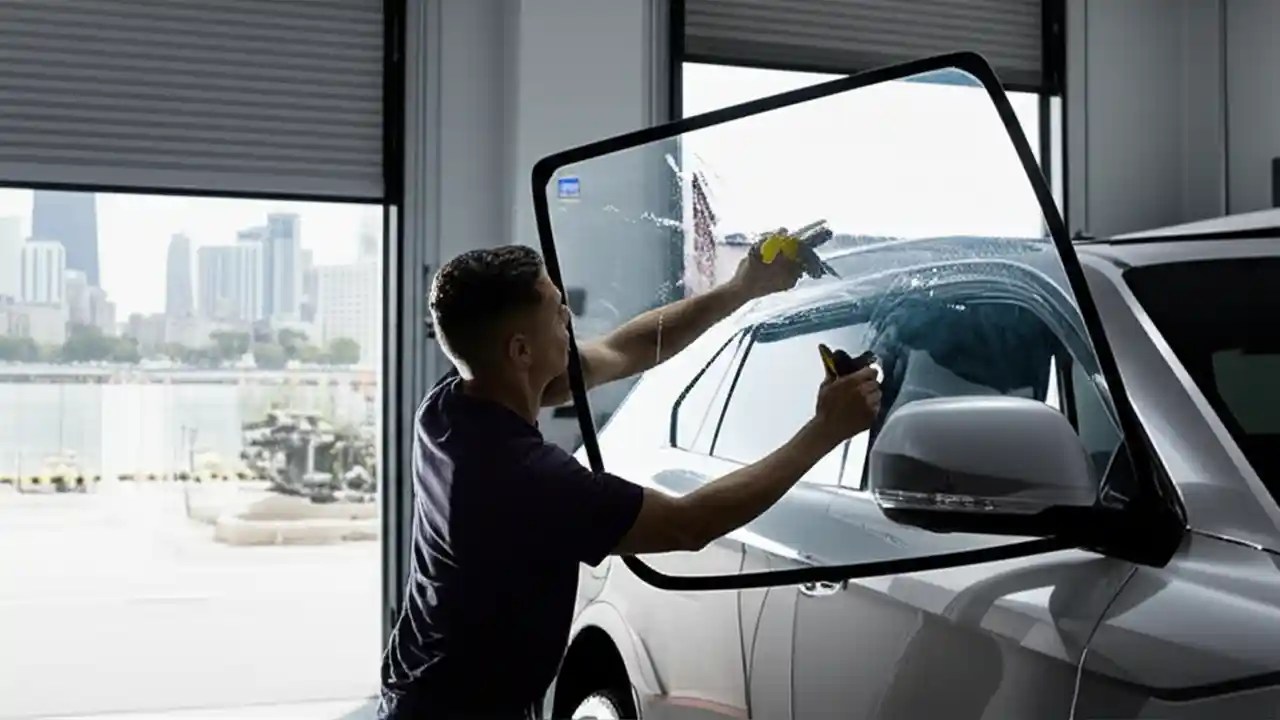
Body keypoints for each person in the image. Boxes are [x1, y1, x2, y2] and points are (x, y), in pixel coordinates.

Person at [379, 244, 882, 719]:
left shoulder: (448, 407)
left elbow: (627, 348)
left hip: (421, 691)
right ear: (520, 351)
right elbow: (690, 524)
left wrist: (743, 288)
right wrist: (825, 431)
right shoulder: (530, 480)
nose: (568, 318)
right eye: (557, 309)